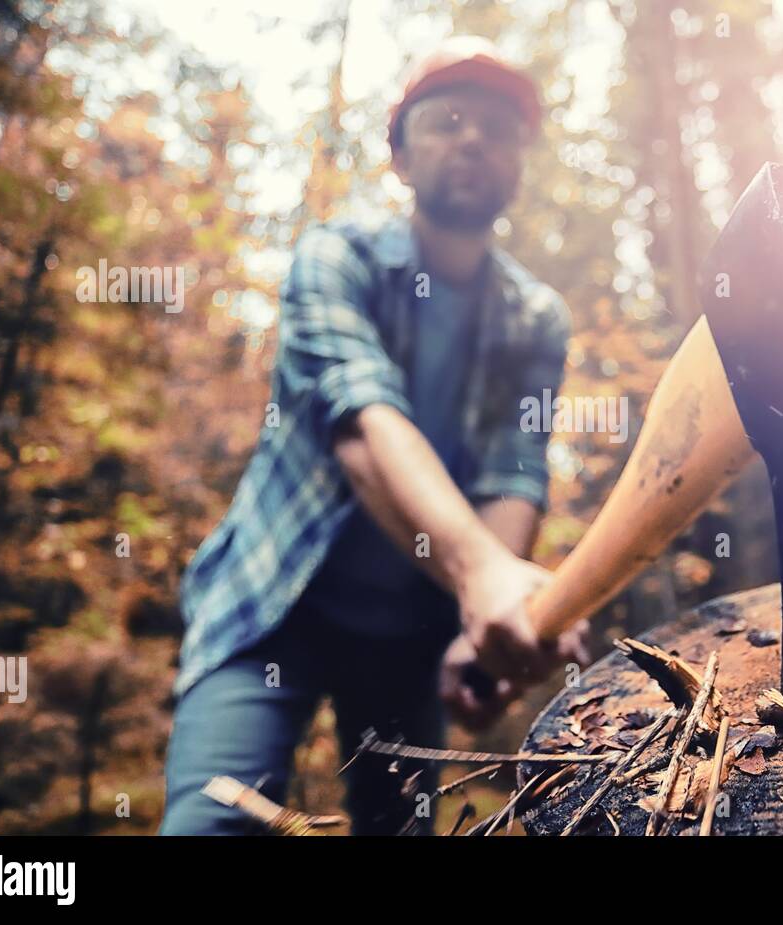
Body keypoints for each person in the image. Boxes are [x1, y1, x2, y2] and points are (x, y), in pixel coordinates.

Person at [160, 36, 587, 835]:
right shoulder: (335, 259)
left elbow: (513, 472)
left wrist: (480, 619)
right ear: (399, 154)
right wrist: (482, 578)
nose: (472, 139)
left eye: (497, 127)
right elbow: (361, 427)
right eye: (447, 120)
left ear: (519, 162)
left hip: (407, 636)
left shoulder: (536, 319)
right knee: (212, 823)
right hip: (271, 601)